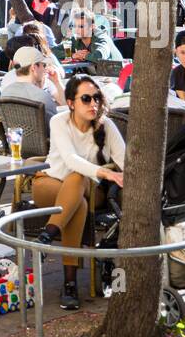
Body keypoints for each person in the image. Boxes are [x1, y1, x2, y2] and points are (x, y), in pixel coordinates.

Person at [32, 74, 125, 309]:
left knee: (79, 186)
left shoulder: (106, 125)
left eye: (97, 98)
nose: (93, 104)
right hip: (50, 184)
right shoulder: (59, 121)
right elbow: (71, 159)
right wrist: (105, 173)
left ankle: (49, 234)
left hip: (92, 192)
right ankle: (69, 283)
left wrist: (122, 175)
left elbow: (125, 160)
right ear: (71, 102)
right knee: (77, 193)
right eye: (86, 99)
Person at [1, 45, 64, 117]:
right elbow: (54, 120)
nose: (44, 69)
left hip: (13, 128)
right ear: (34, 67)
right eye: (43, 65)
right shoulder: (42, 97)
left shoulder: (5, 93)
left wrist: (56, 82)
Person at [59, 8, 123, 64]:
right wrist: (72, 55)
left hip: (114, 74)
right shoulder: (75, 38)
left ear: (92, 27)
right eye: (74, 26)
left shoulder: (101, 38)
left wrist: (84, 56)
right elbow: (54, 51)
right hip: (93, 74)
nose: (76, 30)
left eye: (81, 26)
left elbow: (100, 56)